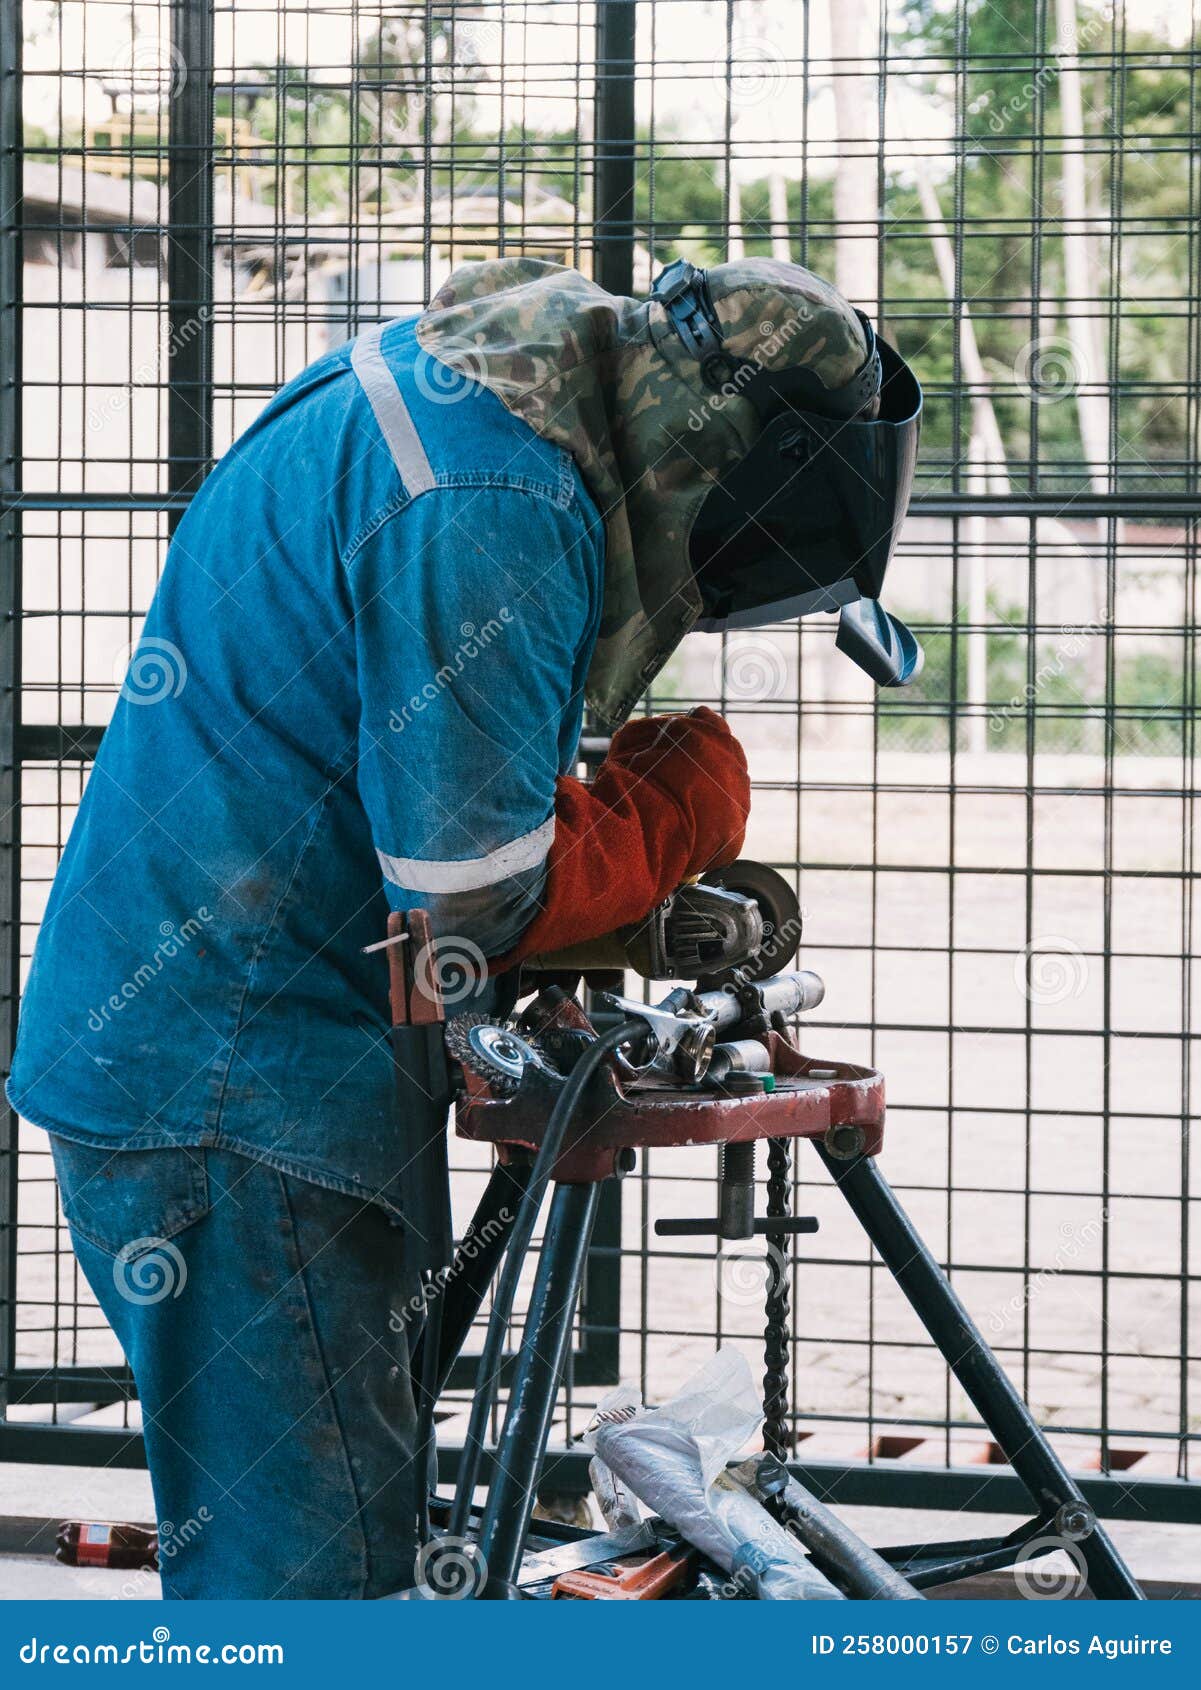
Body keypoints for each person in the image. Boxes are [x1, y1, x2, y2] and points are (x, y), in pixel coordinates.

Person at [7, 255, 920, 1597]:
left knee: (318, 1542)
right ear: (730, 465)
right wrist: (671, 817)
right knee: (316, 1598)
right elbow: (468, 894)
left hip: (218, 1067)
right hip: (242, 1097)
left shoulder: (469, 391)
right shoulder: (495, 501)